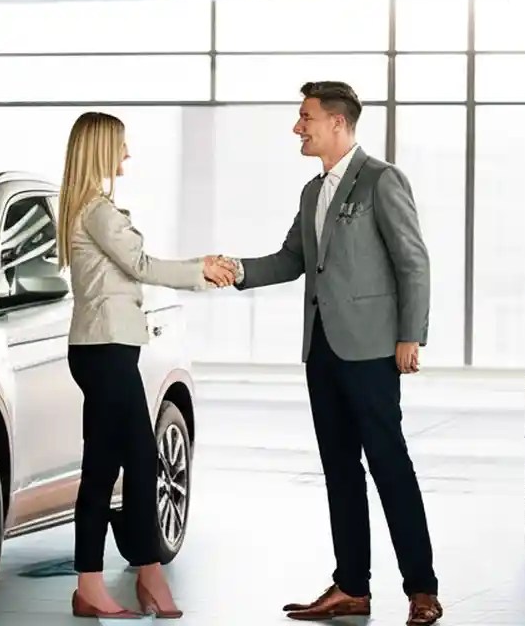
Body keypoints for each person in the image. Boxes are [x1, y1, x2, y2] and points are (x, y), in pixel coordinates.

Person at [218, 81, 441, 625]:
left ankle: (422, 589)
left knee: (390, 465)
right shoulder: (312, 193)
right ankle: (351, 586)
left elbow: (413, 260)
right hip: (322, 349)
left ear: (337, 122)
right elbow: (290, 258)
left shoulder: (381, 180)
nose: (298, 127)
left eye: (306, 117)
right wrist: (235, 270)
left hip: (370, 350)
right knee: (339, 468)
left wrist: (411, 335)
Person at [58, 111, 236, 619]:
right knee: (134, 462)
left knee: (113, 466)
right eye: (121, 145)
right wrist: (201, 270)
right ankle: (141, 575)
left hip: (104, 350)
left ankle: (109, 581)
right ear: (100, 149)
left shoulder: (89, 208)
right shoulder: (97, 211)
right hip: (106, 351)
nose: (127, 154)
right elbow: (141, 266)